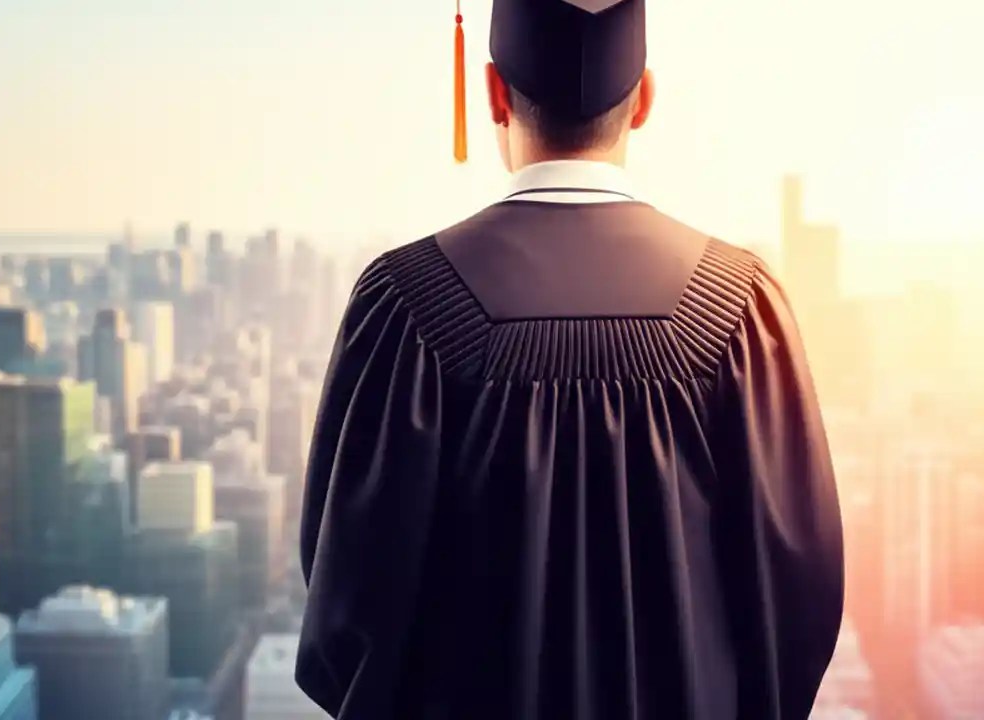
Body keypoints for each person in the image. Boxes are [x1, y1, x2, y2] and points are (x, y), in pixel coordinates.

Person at [297, 1, 844, 718]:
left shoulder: (407, 303)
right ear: (644, 99)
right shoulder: (738, 304)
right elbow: (796, 604)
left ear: (493, 93)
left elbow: (347, 608)